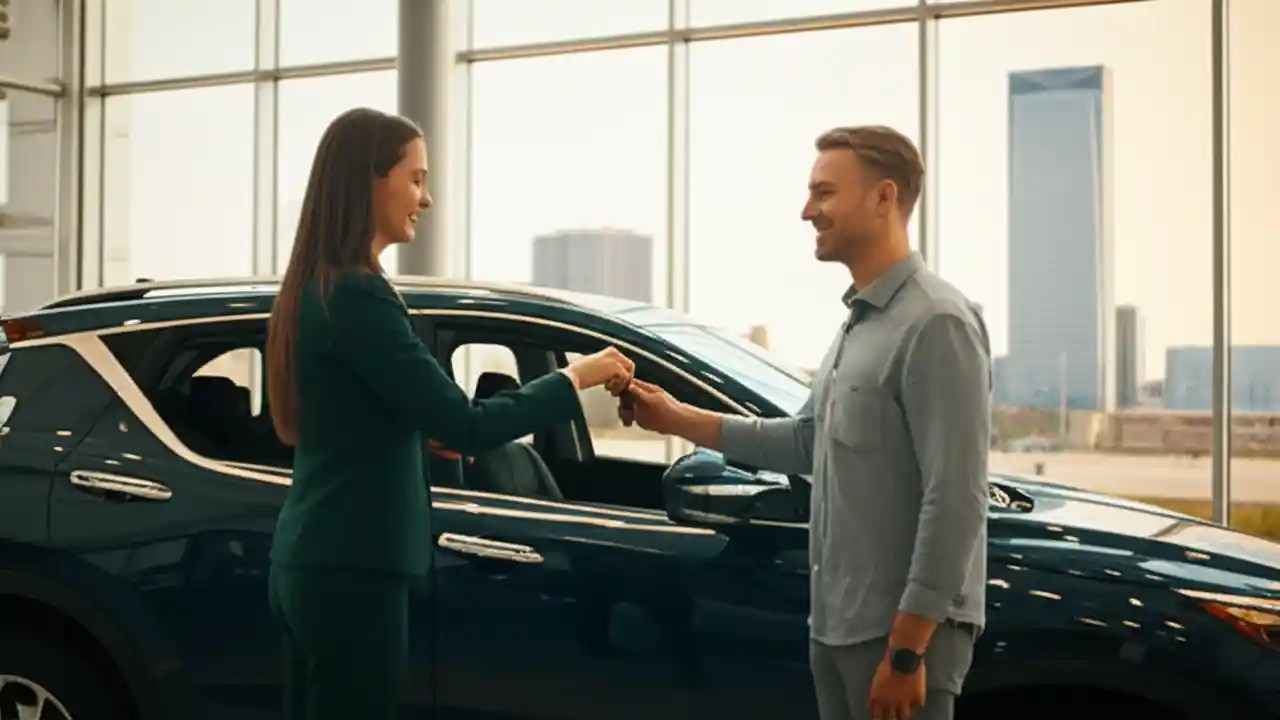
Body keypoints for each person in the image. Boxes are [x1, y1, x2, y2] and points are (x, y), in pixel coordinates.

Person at [263, 107, 634, 720]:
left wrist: (408, 436)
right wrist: (577, 376)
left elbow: (349, 417)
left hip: (317, 562)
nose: (427, 199)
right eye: (415, 179)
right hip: (354, 571)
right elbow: (469, 425)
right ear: (368, 181)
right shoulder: (358, 294)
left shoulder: (319, 286)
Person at [620, 125, 990, 720]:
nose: (807, 211)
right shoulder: (859, 324)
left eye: (824, 193)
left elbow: (956, 498)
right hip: (839, 628)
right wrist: (676, 417)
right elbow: (805, 441)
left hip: (898, 640)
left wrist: (906, 650)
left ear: (883, 197)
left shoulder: (937, 322)